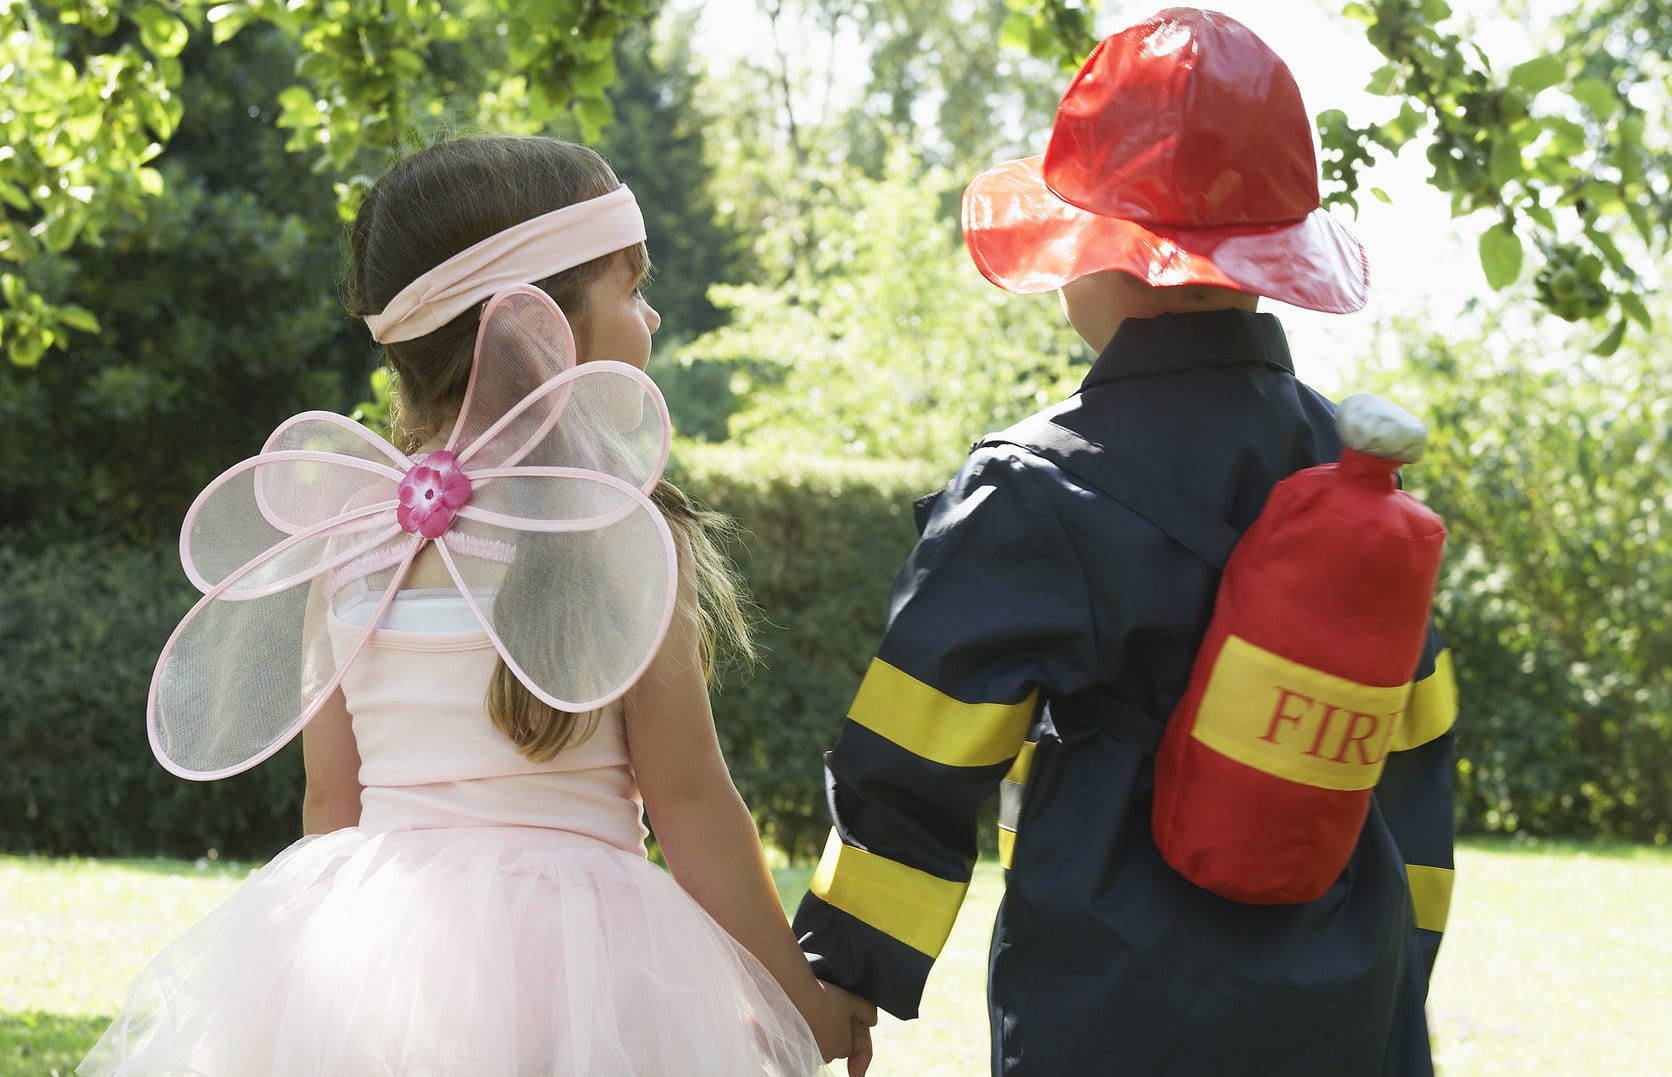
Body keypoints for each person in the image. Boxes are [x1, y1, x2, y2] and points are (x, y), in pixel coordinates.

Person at [81, 134, 875, 1077]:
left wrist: (326, 980)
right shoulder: (620, 536)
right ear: (546, 329)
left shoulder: (353, 538)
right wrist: (802, 1004)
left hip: (376, 946)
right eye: (630, 286)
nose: (651, 316)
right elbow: (692, 801)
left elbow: (333, 799)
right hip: (589, 962)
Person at [792, 9, 1458, 1076]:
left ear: (1096, 258)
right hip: (1347, 1006)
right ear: (1265, 259)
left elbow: (915, 759)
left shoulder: (1029, 484)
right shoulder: (1361, 481)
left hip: (1109, 1005)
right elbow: (1412, 760)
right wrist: (1401, 958)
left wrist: (846, 971)